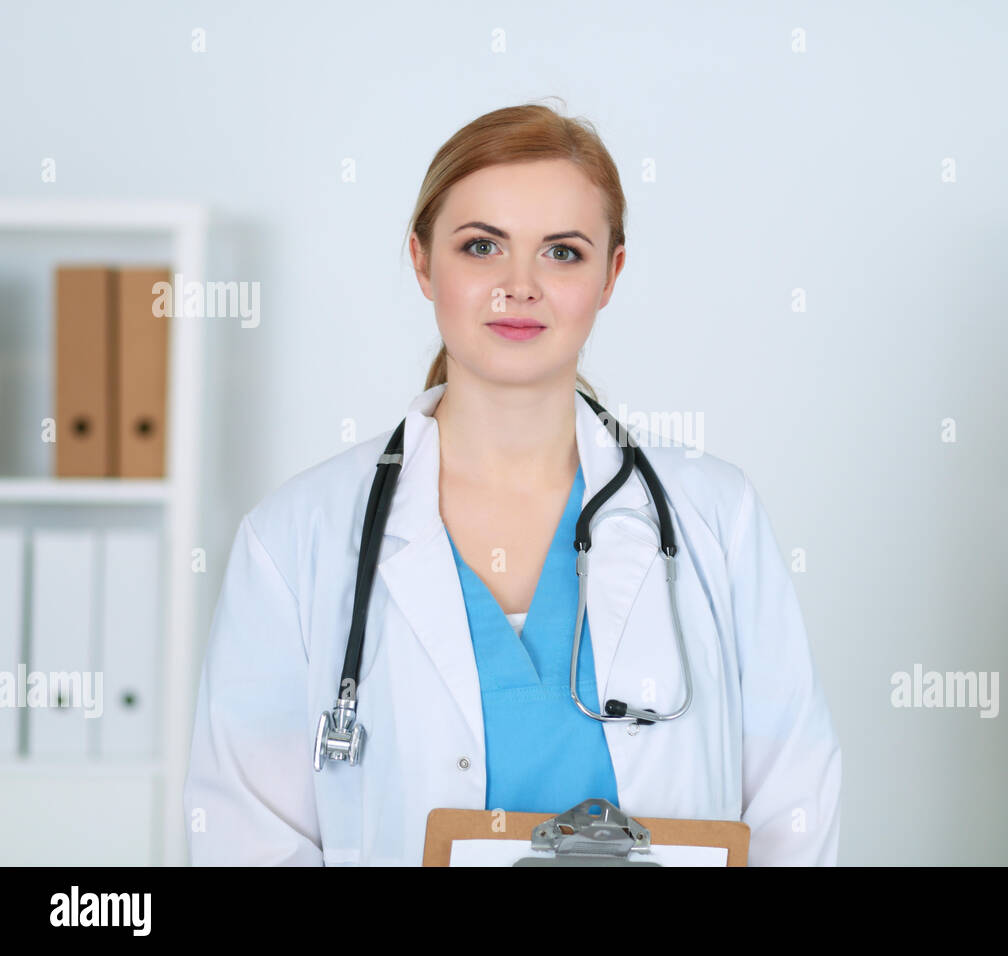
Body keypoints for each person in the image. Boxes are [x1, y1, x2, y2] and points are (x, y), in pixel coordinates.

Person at [183, 101, 841, 866]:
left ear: (610, 276)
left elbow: (796, 799)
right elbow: (247, 837)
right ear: (423, 262)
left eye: (562, 252)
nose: (518, 285)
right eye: (481, 246)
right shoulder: (296, 537)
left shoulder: (716, 516)